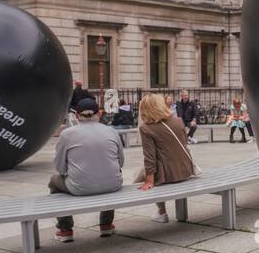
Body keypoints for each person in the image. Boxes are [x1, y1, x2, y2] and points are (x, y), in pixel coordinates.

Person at [49, 96, 125, 241]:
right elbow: (121, 162)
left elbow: (59, 168)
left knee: (54, 182)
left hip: (80, 187)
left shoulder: (67, 134)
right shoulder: (111, 131)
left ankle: (65, 229)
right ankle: (106, 225)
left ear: (77, 115)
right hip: (113, 184)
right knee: (109, 173)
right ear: (99, 113)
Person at [137, 92, 199, 223]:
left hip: (168, 175)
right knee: (146, 170)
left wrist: (149, 181)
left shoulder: (146, 128)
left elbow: (149, 158)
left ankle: (162, 212)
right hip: (185, 169)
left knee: (142, 174)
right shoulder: (178, 121)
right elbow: (184, 144)